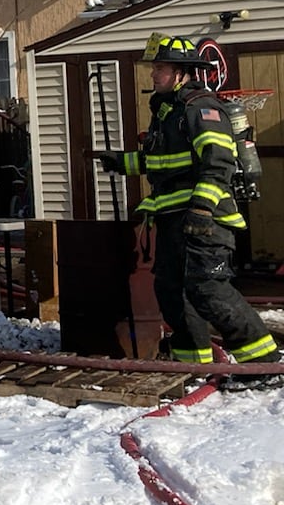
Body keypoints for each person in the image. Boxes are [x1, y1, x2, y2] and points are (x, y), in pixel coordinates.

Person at [94, 34, 280, 388]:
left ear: (181, 72)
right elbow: (165, 162)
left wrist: (201, 208)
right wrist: (124, 163)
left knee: (208, 289)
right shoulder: (169, 112)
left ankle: (265, 365)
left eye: (160, 68)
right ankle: (193, 368)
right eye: (153, 68)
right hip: (172, 220)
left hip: (203, 221)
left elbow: (218, 161)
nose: (153, 75)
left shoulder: (200, 109)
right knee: (172, 292)